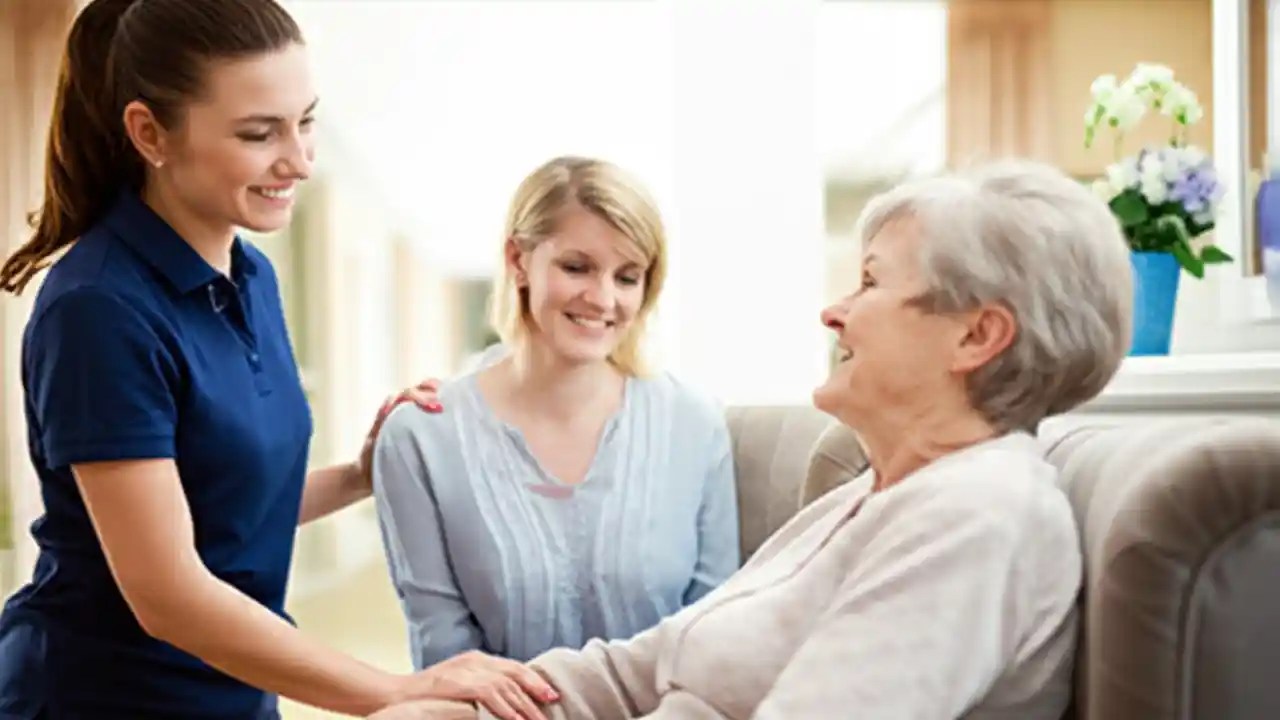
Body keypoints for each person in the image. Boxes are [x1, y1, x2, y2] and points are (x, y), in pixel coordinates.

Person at [370, 158, 1134, 719]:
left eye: (870, 282)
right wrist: (464, 708)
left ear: (976, 336)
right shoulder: (873, 495)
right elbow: (644, 664)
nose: (834, 311)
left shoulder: (977, 518)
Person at [0, 2, 556, 718]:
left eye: (306, 121)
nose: (299, 160)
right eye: (259, 133)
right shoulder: (98, 310)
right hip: (102, 700)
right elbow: (167, 594)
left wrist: (360, 475)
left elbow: (220, 509)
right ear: (149, 133)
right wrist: (395, 690)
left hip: (232, 695)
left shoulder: (251, 276)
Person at [371, 156, 741, 670]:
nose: (603, 299)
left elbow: (713, 635)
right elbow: (444, 657)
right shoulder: (421, 438)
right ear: (518, 260)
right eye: (576, 267)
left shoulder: (695, 426)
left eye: (627, 277)